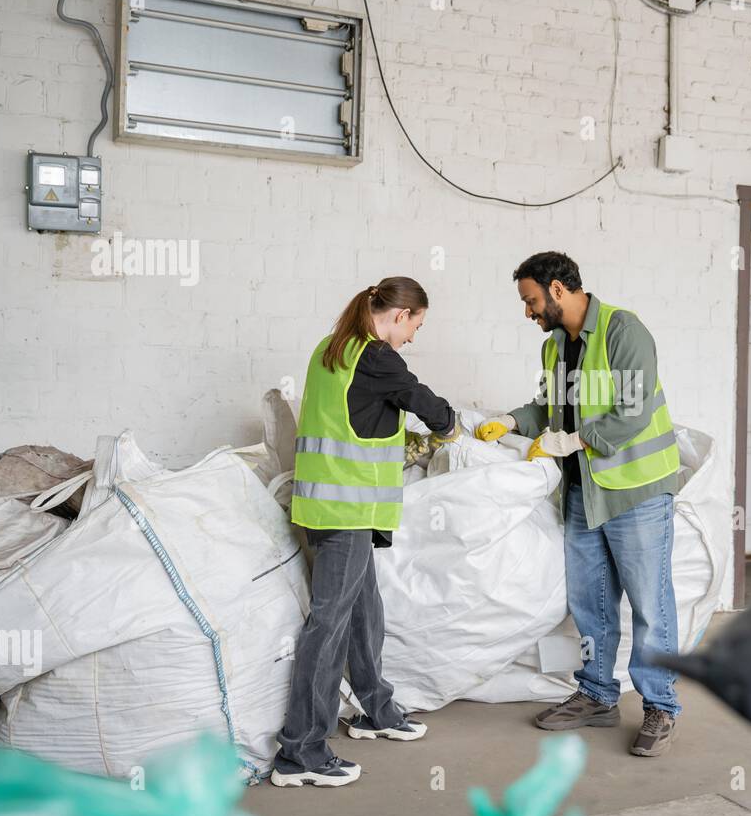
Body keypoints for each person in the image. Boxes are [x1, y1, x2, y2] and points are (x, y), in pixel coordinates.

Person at [477, 252, 683, 756]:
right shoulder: (555, 347)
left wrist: (570, 443)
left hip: (635, 491)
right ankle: (597, 695)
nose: (528, 312)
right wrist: (510, 420)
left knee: (651, 608)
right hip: (583, 493)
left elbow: (631, 413)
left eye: (530, 301)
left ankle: (660, 705)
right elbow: (549, 407)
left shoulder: (622, 330)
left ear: (558, 289)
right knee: (590, 604)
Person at [271, 277, 460, 788]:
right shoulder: (377, 357)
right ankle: (301, 750)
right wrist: (452, 428)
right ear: (399, 315)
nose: (413, 337)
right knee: (328, 624)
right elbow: (424, 402)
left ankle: (376, 709)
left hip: (327, 505)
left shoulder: (333, 348)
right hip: (346, 509)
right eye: (415, 325)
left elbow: (359, 416)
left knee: (363, 608)